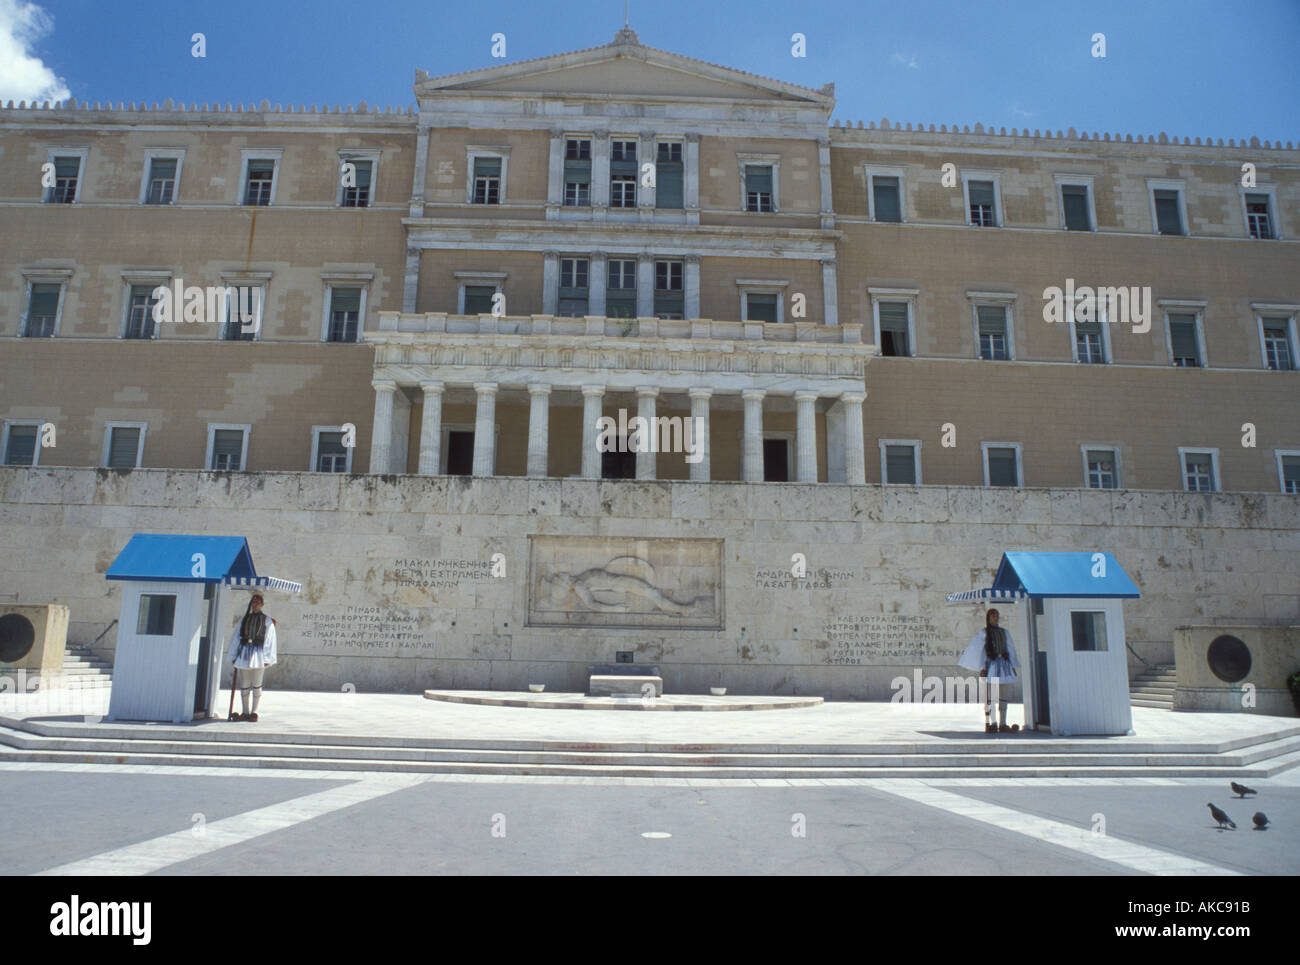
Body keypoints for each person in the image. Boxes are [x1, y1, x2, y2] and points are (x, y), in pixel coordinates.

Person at [957, 608, 1021, 733]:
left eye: (997, 615)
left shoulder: (1004, 632)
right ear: (988, 618)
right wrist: (982, 667)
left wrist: (1013, 666)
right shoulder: (984, 633)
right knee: (990, 697)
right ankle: (991, 723)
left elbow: (1010, 649)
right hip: (991, 666)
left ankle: (1003, 723)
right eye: (993, 616)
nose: (995, 618)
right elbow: (979, 651)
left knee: (1004, 695)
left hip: (1004, 665)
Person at [226, 593, 277, 722]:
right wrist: (233, 655)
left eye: (258, 602)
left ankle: (254, 711)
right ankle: (245, 711)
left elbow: (270, 639)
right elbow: (237, 636)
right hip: (244, 653)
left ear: (262, 604)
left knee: (257, 684)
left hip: (258, 654)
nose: (255, 604)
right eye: (253, 602)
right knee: (244, 683)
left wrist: (267, 658)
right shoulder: (245, 619)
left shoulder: (267, 620)